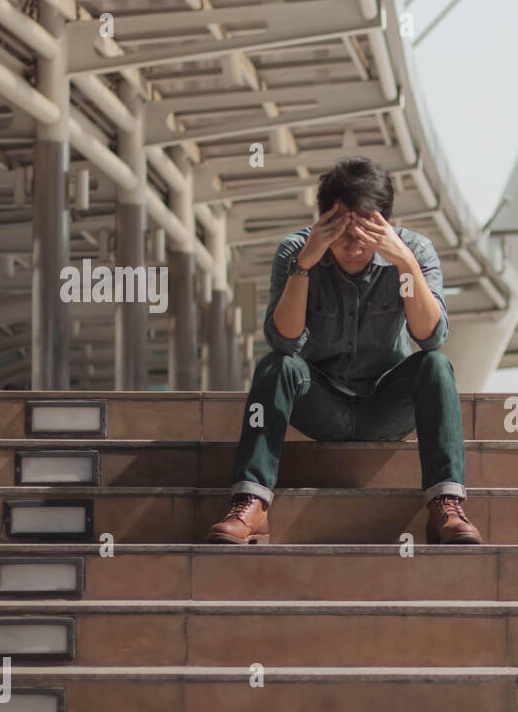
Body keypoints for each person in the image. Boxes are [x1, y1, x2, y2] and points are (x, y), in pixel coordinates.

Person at [206, 156, 482, 545]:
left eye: (364, 233)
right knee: (275, 366)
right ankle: (252, 501)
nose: (352, 246)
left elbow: (431, 336)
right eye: (341, 232)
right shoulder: (297, 251)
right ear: (323, 220)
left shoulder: (414, 251)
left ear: (384, 222)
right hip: (321, 403)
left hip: (386, 405)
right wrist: (305, 264)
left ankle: (446, 505)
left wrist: (402, 261)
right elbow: (285, 340)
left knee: (436, 365)